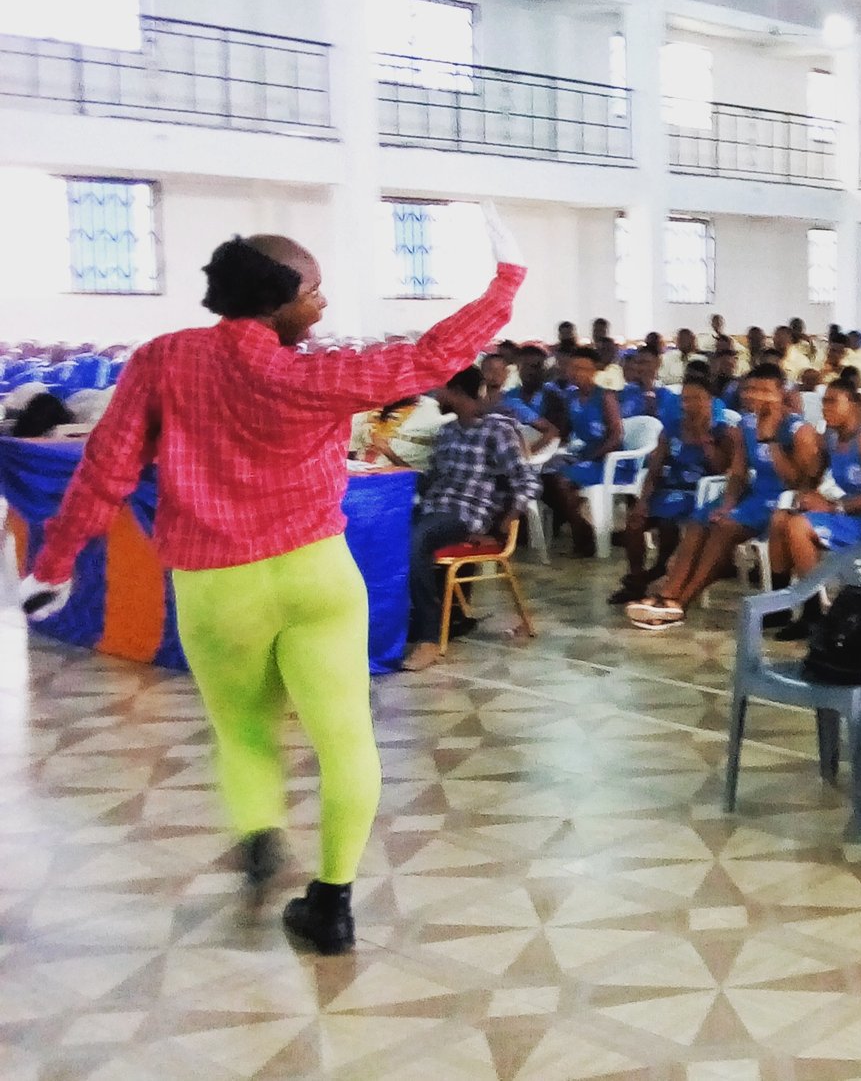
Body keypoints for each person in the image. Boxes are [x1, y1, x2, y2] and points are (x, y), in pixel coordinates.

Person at [18, 210, 527, 954]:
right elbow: (432, 355)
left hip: (215, 584)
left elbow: (109, 466)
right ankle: (332, 903)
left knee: (246, 730)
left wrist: (54, 565)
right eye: (315, 293)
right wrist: (506, 280)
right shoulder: (314, 372)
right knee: (346, 736)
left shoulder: (161, 359)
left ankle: (260, 833)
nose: (323, 306)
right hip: (316, 574)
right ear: (279, 301)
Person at [625, 367, 818, 628]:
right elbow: (738, 474)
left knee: (723, 529)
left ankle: (681, 602)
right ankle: (668, 593)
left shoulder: (798, 430)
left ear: (781, 393)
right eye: (750, 389)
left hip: (781, 501)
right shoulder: (745, 425)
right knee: (702, 519)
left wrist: (770, 439)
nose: (754, 396)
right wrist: (727, 503)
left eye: (764, 391)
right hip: (753, 494)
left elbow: (799, 482)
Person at [402, 367, 539, 672]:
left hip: (464, 514)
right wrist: (395, 475)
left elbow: (526, 481)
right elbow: (431, 481)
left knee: (415, 541)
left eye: (440, 390)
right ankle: (399, 624)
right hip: (433, 509)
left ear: (457, 392)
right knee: (380, 532)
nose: (435, 396)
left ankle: (429, 639)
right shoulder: (448, 432)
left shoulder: (497, 430)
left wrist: (503, 525)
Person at [768, 380, 861, 639]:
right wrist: (807, 492)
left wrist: (833, 506)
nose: (825, 407)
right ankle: (779, 605)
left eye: (832, 401)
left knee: (798, 526)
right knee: (781, 518)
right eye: (823, 401)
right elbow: (814, 474)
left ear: (851, 404)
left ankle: (813, 611)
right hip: (849, 513)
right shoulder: (832, 436)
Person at [612, 376, 731, 605]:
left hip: (700, 494)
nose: (689, 405)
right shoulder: (672, 429)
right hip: (669, 488)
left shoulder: (721, 431)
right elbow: (655, 469)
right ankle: (636, 578)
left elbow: (723, 470)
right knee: (634, 522)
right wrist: (643, 501)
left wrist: (705, 441)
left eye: (696, 399)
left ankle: (660, 570)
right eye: (685, 399)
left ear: (710, 400)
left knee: (668, 523)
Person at [537, 347, 624, 557]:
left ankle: (583, 540)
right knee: (544, 474)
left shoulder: (605, 396)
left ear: (595, 371)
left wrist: (593, 456)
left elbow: (616, 435)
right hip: (584, 456)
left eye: (582, 368)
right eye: (572, 367)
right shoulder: (572, 397)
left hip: (609, 460)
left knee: (563, 482)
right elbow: (565, 432)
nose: (575, 372)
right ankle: (582, 526)